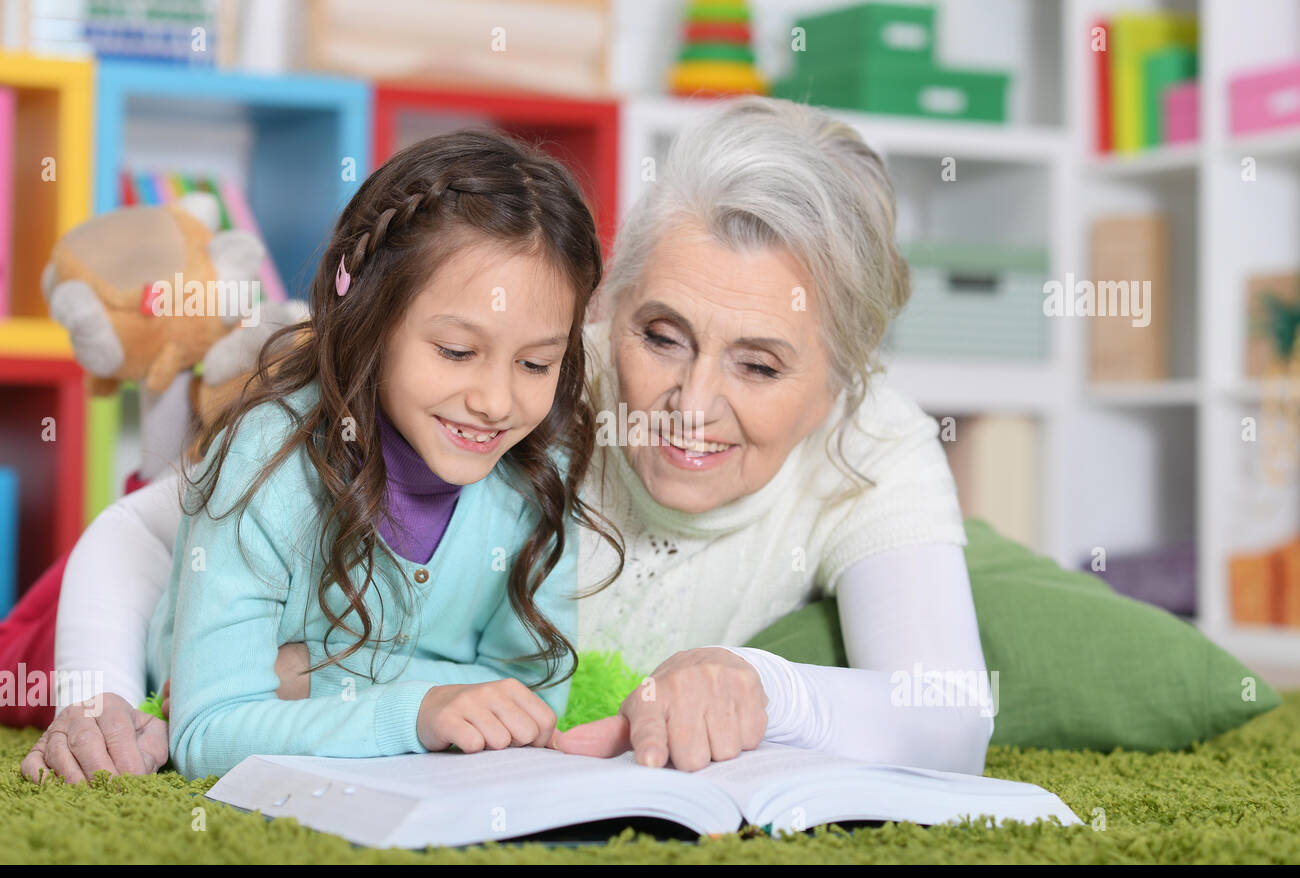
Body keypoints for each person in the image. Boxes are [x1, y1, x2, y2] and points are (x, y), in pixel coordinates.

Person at [26, 97, 993, 783]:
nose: (689, 404)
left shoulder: (867, 445)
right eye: (661, 334)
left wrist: (763, 689)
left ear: (843, 382)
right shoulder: (533, 373)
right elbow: (153, 530)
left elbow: (949, 709)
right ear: (605, 312)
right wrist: (96, 692)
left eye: (762, 364)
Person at [22, 128, 621, 782]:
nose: (497, 400)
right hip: (134, 586)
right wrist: (416, 706)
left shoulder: (540, 470)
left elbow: (530, 700)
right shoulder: (264, 461)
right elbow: (205, 726)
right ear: (370, 316)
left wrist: (314, 673)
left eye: (536, 362)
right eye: (455, 351)